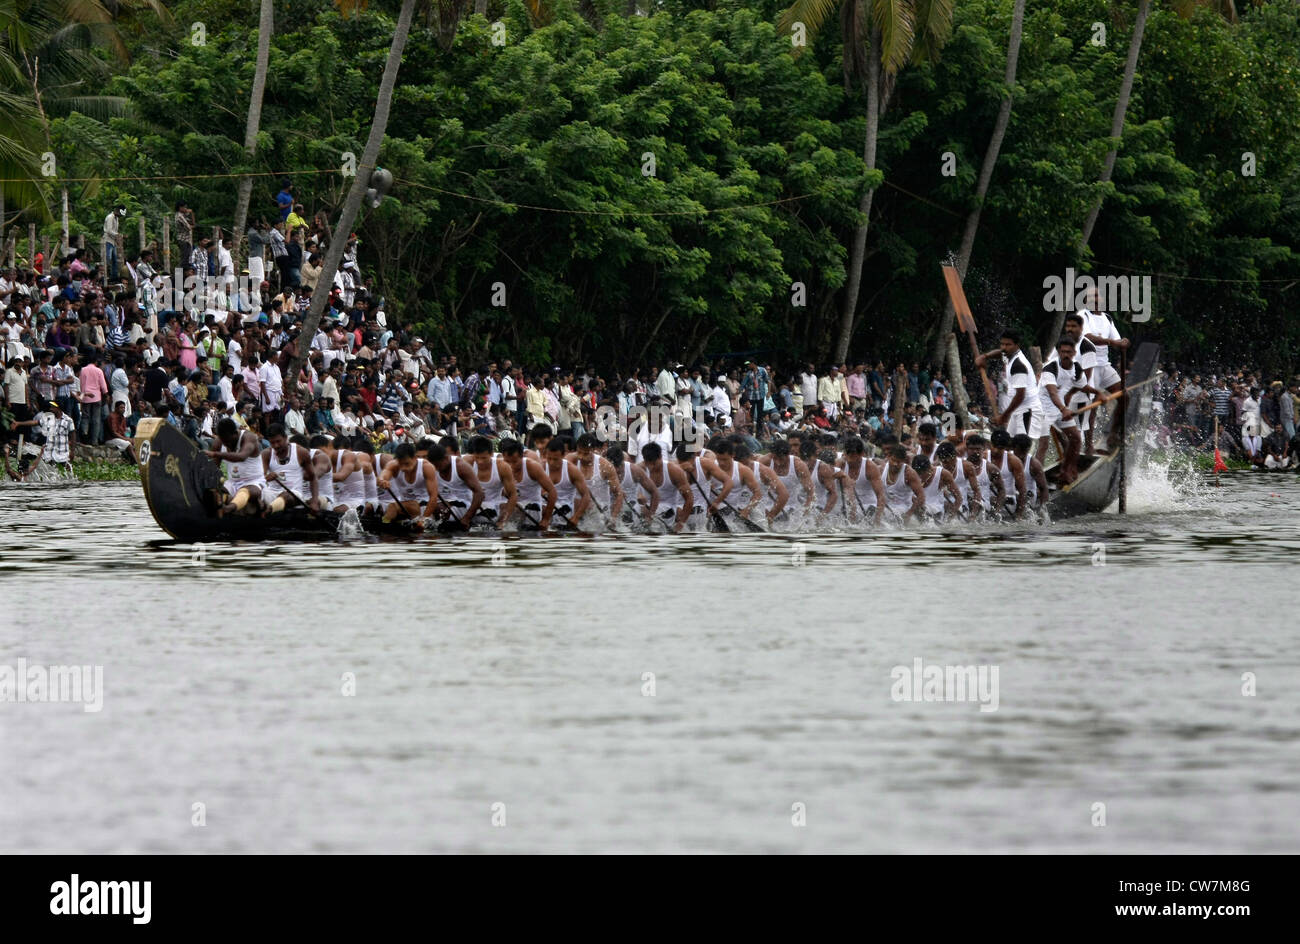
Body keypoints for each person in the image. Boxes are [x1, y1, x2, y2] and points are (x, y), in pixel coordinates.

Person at [206, 417, 266, 515]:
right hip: (232, 484)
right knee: (214, 493)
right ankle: (223, 500)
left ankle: (228, 508)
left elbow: (241, 457)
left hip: (254, 482)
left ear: (235, 433)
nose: (227, 444)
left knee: (245, 491)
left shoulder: (249, 437)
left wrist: (216, 454)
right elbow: (214, 468)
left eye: (229, 441)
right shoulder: (218, 442)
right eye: (224, 442)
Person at [260, 423, 320, 515]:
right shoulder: (266, 453)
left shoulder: (301, 452)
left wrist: (315, 501)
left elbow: (313, 478)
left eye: (278, 441)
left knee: (288, 495)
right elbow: (259, 478)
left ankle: (270, 509)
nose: (276, 446)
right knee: (256, 493)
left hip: (293, 495)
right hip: (272, 492)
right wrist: (267, 477)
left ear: (285, 438)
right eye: (272, 443)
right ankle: (269, 508)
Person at [499, 438, 556, 530]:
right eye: (507, 461)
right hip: (511, 507)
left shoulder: (533, 467)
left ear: (522, 456)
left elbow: (552, 491)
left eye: (514, 462)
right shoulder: (500, 466)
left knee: (510, 511)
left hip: (531, 508)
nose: (510, 466)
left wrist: (546, 519)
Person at [377, 441, 439, 524]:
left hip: (423, 505)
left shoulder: (427, 467)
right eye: (400, 464)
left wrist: (423, 519)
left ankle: (384, 528)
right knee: (388, 509)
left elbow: (433, 498)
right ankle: (385, 528)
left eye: (406, 463)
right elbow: (383, 476)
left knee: (392, 507)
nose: (403, 468)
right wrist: (382, 481)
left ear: (415, 458)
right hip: (404, 504)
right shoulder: (393, 465)